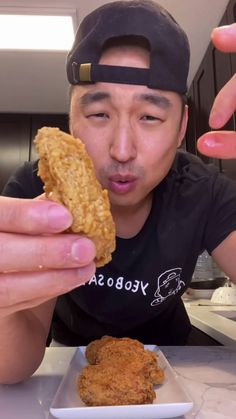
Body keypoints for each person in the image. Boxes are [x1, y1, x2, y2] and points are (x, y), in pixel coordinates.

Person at [0, 0, 236, 384]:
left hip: (173, 363)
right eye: (98, 115)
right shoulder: (37, 192)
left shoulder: (203, 191)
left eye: (150, 117)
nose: (122, 150)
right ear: (72, 121)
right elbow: (12, 365)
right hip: (69, 363)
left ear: (181, 128)